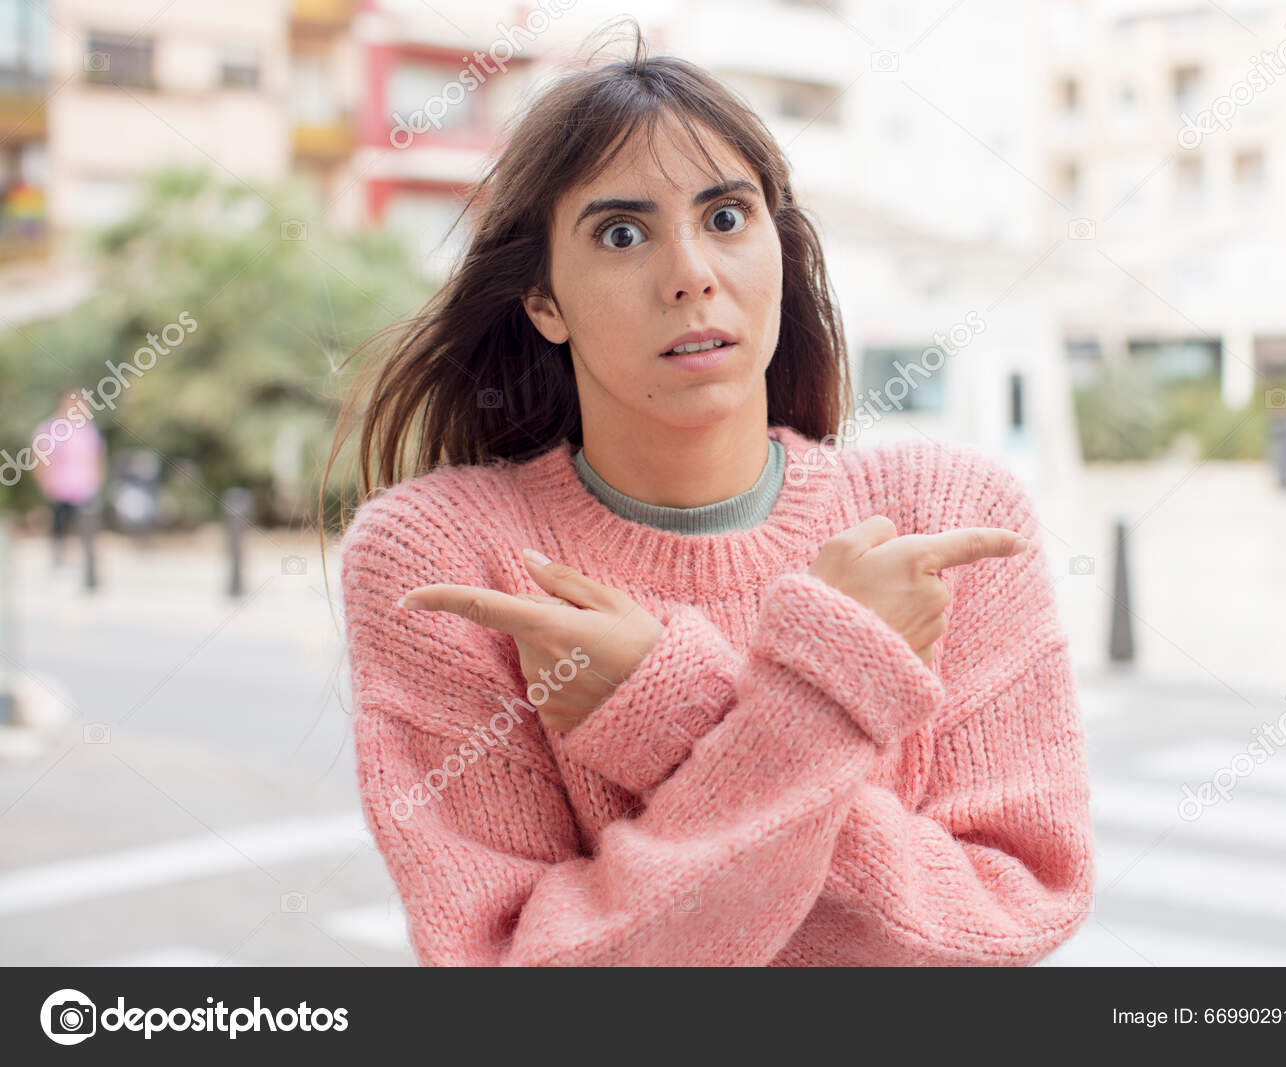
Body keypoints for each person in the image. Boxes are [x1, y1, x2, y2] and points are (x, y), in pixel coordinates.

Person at [328, 25, 1093, 966]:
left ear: (780, 249)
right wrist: (822, 693)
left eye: (727, 217)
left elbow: (1002, 924)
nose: (692, 271)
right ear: (544, 301)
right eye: (621, 233)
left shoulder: (941, 518)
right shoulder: (448, 556)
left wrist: (669, 712)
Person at [31, 390, 106, 570]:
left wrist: (98, 480)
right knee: (59, 528)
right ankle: (59, 563)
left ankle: (89, 570)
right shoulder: (49, 428)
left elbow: (98, 455)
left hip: (85, 488)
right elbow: (39, 457)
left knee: (88, 529)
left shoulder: (88, 428)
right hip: (60, 488)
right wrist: (45, 483)